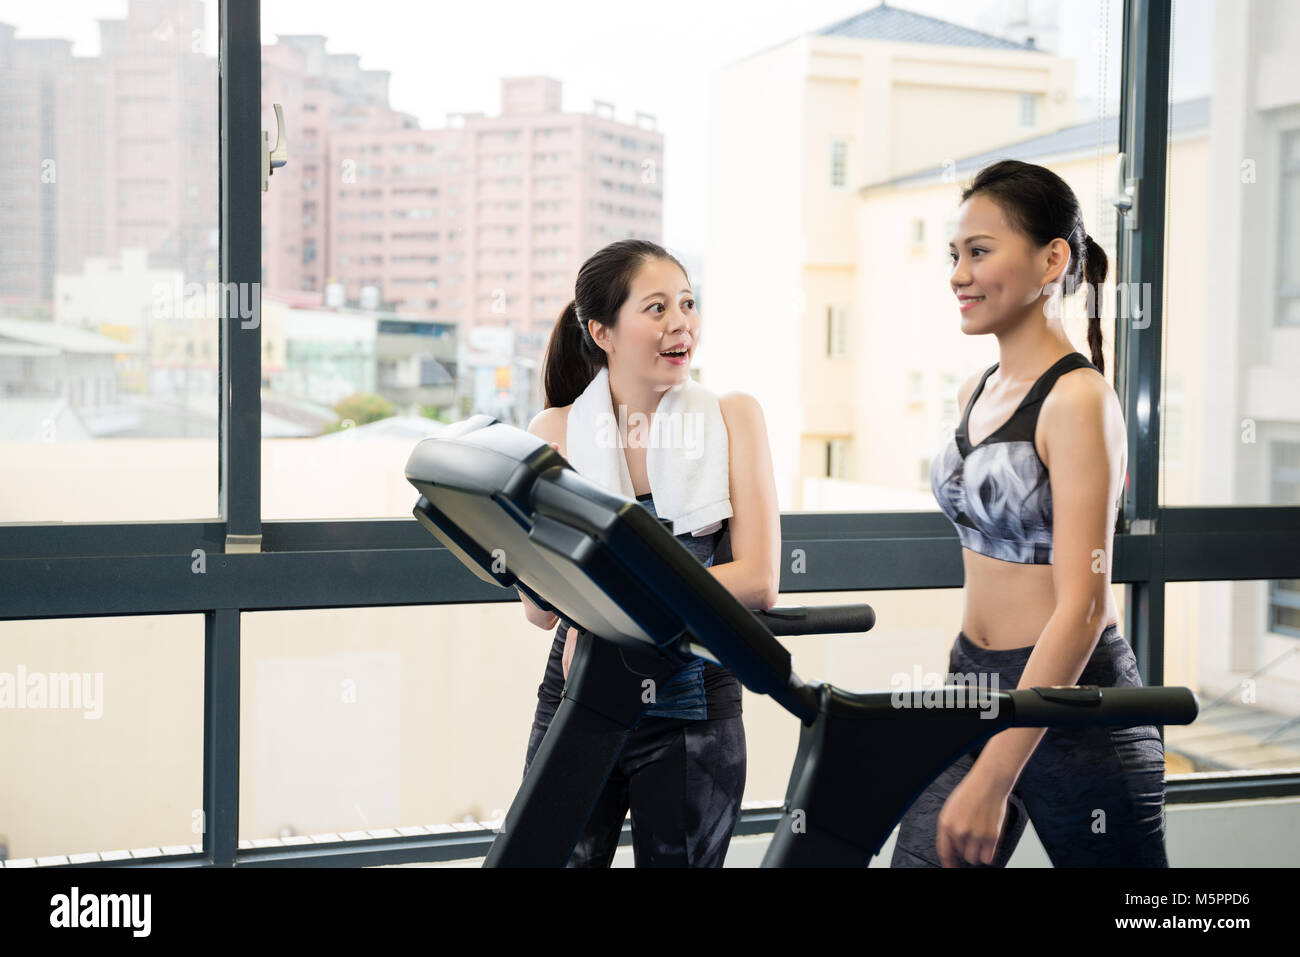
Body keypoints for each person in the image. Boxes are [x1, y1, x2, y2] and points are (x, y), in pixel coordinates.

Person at [891, 159, 1169, 868]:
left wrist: (994, 773)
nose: (958, 273)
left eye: (979, 252)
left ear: (1053, 260)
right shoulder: (973, 390)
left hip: (1073, 704)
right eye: (955, 254)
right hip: (971, 680)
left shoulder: (1078, 399)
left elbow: (1084, 605)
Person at [516, 238, 781, 867]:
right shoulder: (553, 433)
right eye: (656, 308)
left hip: (695, 706)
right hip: (577, 691)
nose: (680, 323)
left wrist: (604, 600)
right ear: (603, 331)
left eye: (687, 304)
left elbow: (759, 579)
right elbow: (540, 610)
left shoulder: (732, 416)